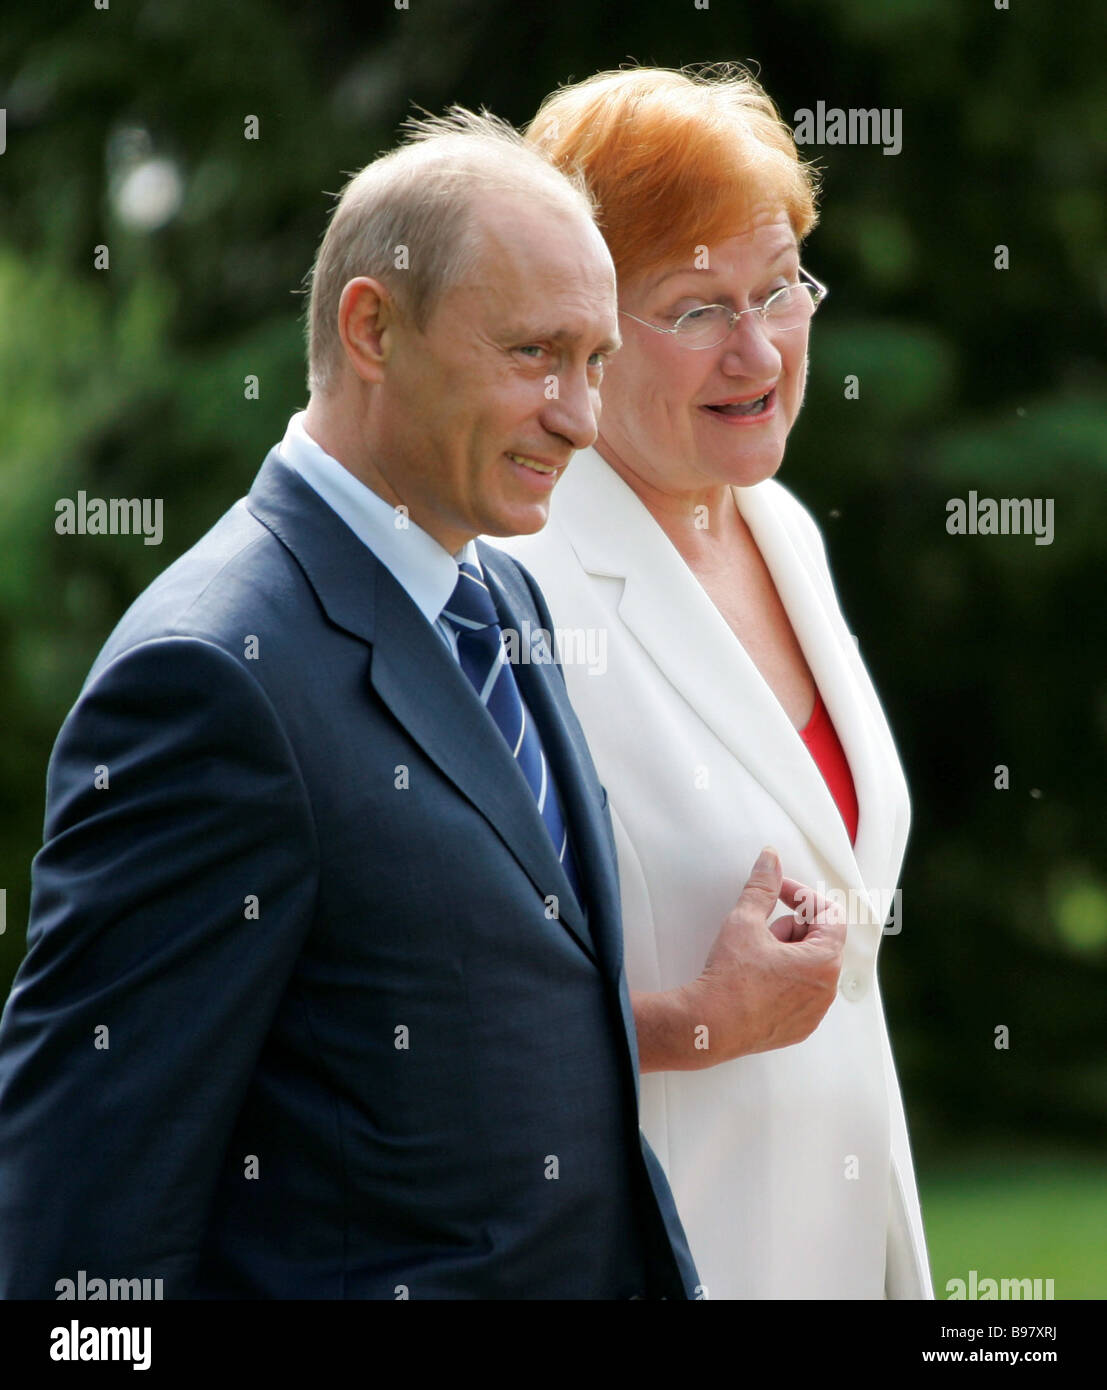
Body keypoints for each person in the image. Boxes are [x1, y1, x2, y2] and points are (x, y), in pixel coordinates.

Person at [0, 108, 712, 1299]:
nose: (581, 418)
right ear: (372, 327)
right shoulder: (209, 680)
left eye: (596, 364)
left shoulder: (501, 598)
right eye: (537, 354)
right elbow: (85, 1206)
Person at [493, 66, 934, 1299]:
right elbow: (435, 1029)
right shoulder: (511, 583)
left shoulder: (780, 523)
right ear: (580, 321)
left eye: (781, 287)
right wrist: (700, 1021)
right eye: (695, 309)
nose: (758, 348)